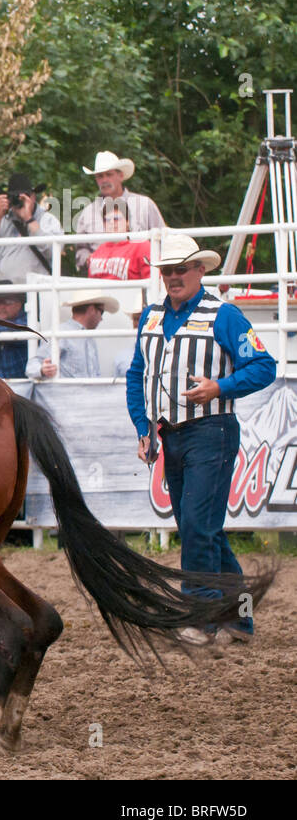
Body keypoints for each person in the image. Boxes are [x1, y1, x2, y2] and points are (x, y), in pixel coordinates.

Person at [125, 235, 277, 645]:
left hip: (212, 431)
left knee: (196, 525)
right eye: (168, 271)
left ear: (200, 271)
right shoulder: (151, 317)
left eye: (181, 269)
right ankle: (240, 619)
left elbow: (264, 366)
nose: (173, 277)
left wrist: (220, 387)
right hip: (171, 435)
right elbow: (136, 374)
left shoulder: (224, 315)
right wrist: (143, 428)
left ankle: (201, 616)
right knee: (201, 528)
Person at [75, 151, 166, 274]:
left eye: (109, 174)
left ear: (121, 176)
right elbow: (81, 249)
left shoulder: (144, 205)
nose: (104, 180)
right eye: (100, 176)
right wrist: (88, 260)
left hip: (143, 278)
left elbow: (163, 241)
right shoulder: (87, 213)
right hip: (102, 279)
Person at [0, 172, 63, 285]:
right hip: (3, 294)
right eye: (15, 197)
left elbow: (53, 251)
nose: (19, 201)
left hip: (36, 292)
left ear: (33, 197)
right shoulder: (1, 221)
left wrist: (29, 219)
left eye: (23, 197)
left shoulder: (48, 220)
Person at [26, 289, 118, 380]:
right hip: (70, 394)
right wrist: (42, 369)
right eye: (101, 312)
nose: (101, 318)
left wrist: (43, 369)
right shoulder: (61, 333)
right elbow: (32, 367)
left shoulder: (83, 336)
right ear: (91, 309)